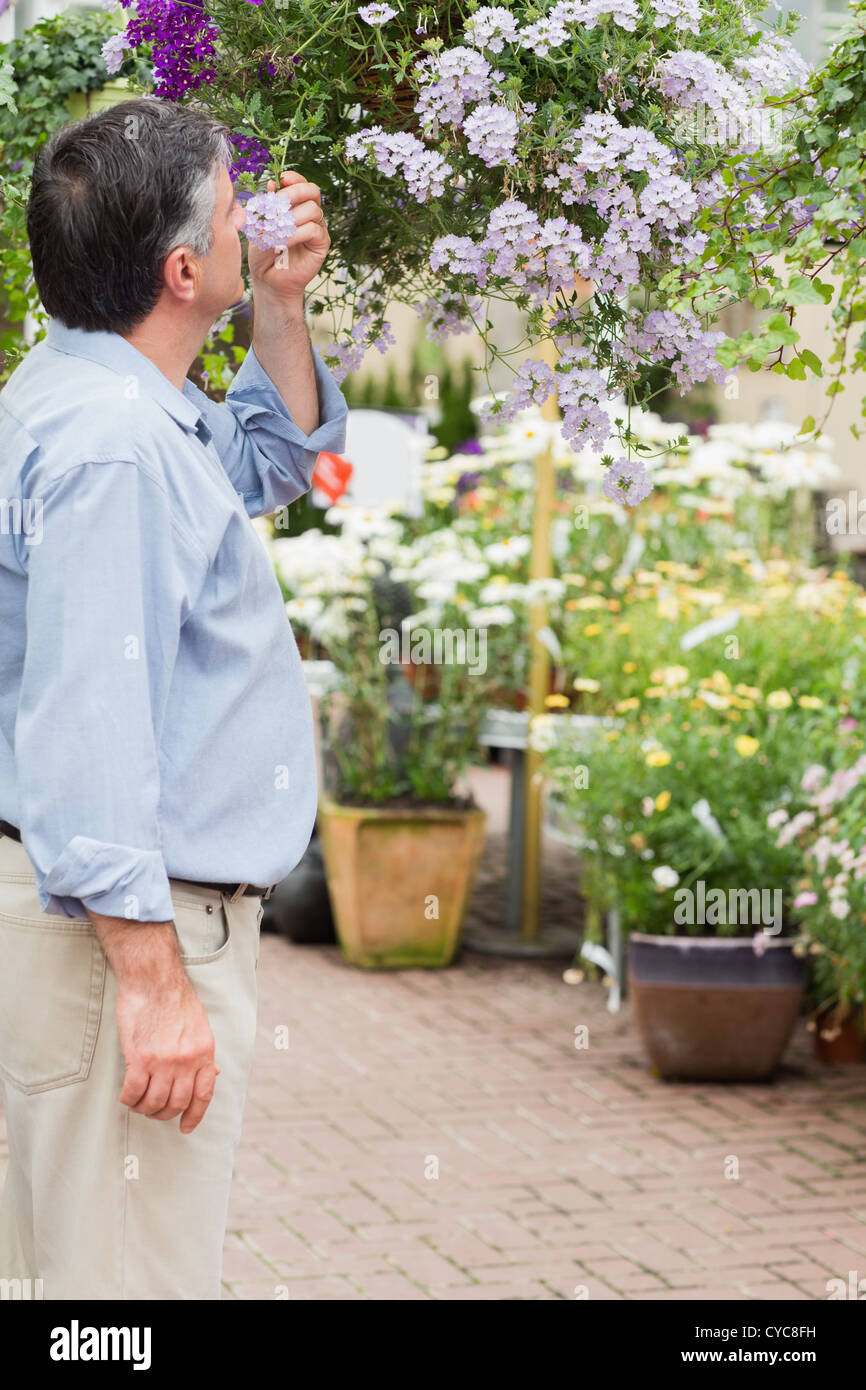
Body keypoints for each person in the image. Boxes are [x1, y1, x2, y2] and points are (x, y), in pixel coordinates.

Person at [0, 97, 348, 1300]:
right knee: (122, 1304)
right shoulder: (116, 446)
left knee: (72, 1280)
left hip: (109, 925)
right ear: (183, 267)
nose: (257, 209)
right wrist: (153, 986)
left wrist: (283, 307)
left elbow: (267, 460)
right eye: (230, 197)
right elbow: (88, 724)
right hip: (125, 938)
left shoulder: (105, 395)